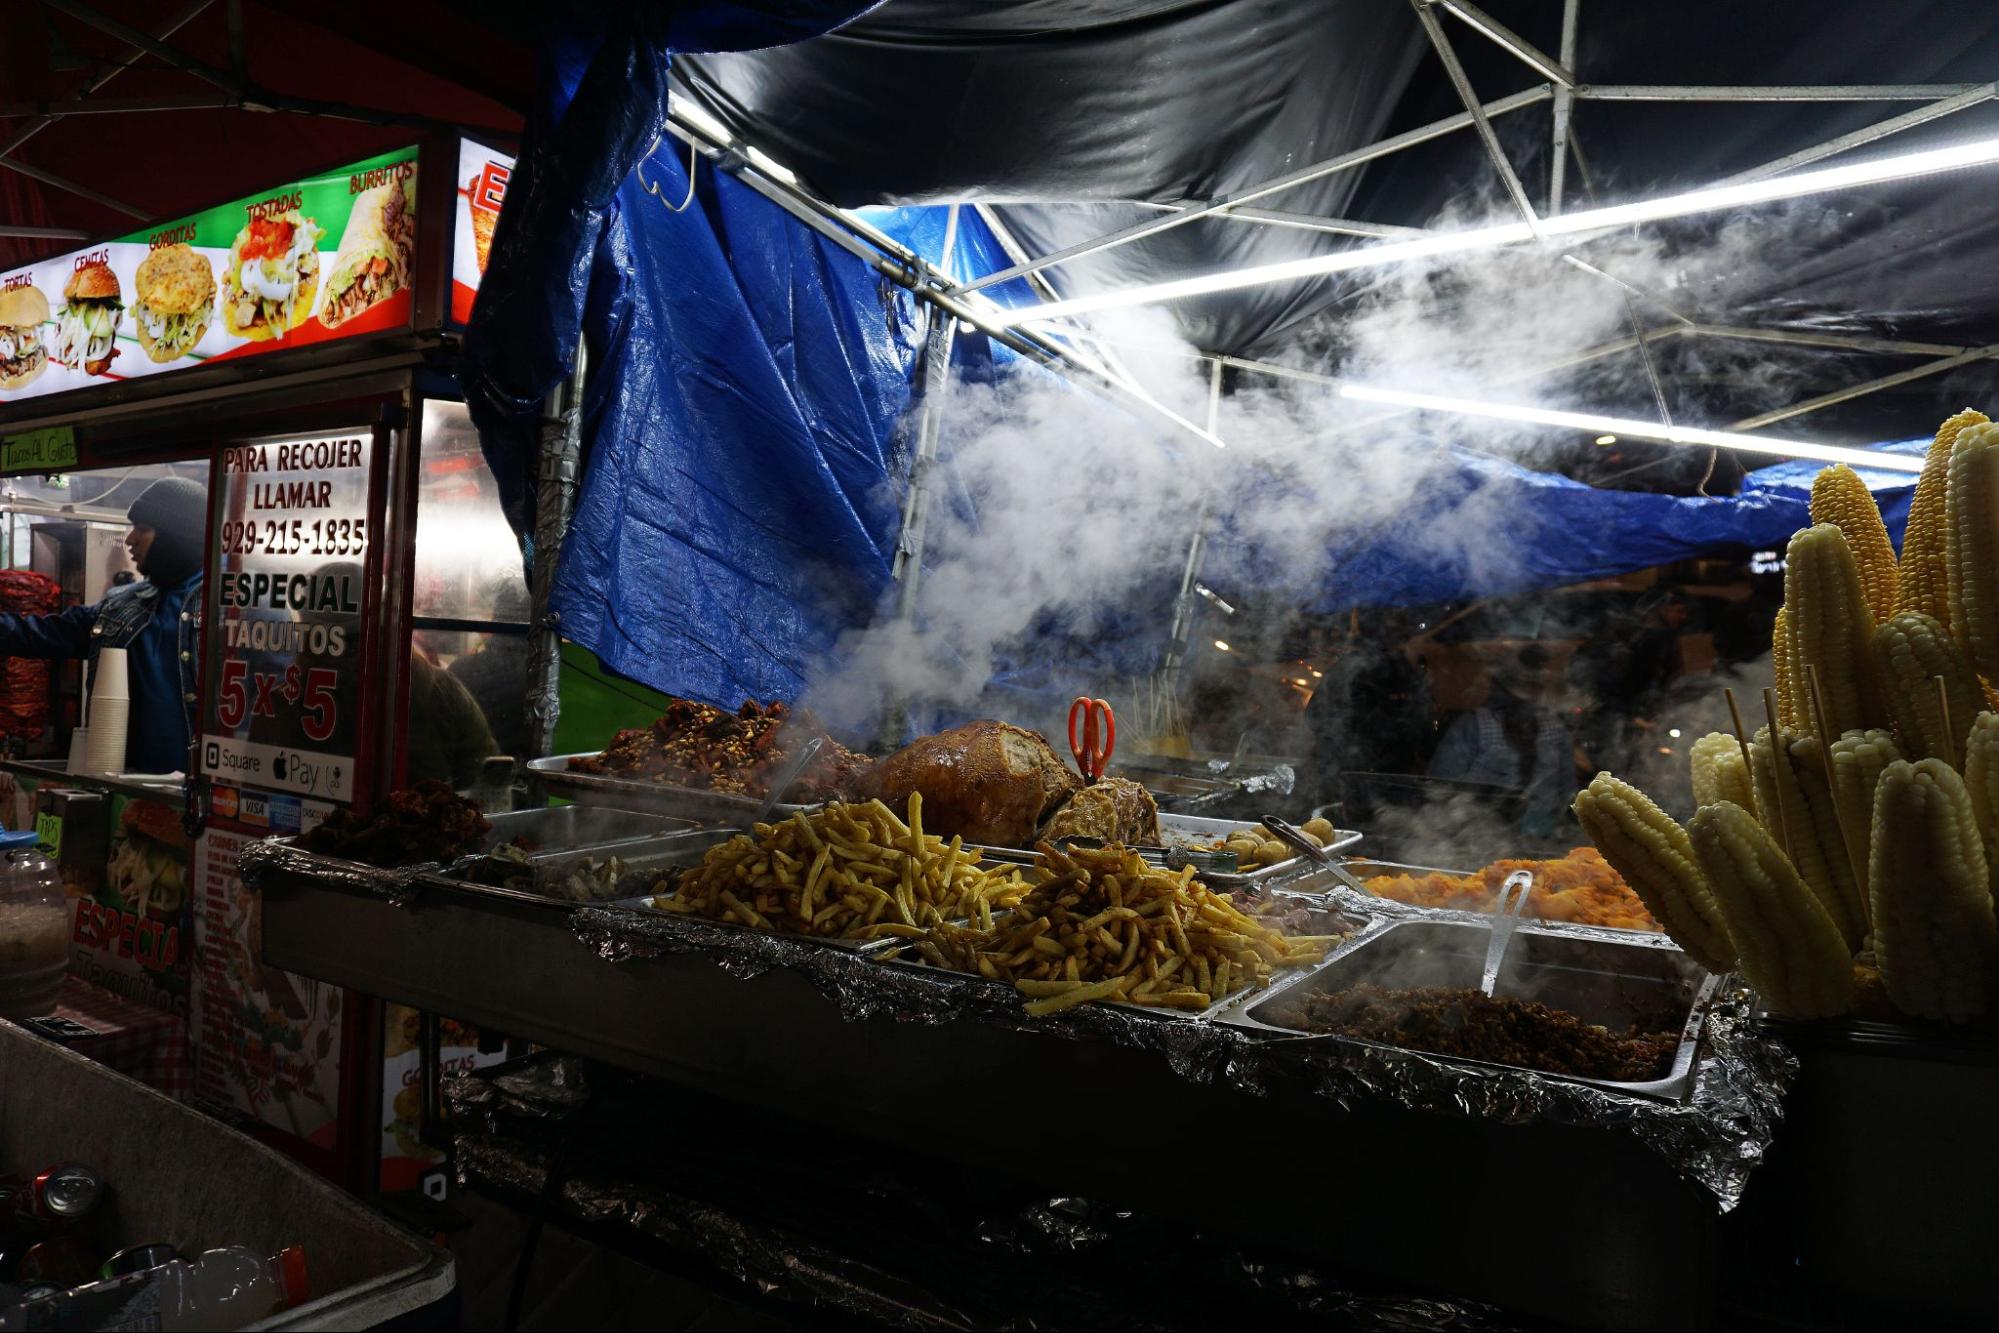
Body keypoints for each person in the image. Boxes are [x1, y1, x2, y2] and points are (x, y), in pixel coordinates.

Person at [0, 477, 206, 774]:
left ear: (177, 536)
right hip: (122, 783)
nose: (130, 539)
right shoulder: (122, 603)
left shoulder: (231, 609)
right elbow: (43, 633)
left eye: (143, 529)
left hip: (200, 792)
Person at [1428, 643, 1577, 839]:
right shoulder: (1474, 726)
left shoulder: (1554, 731)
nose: (1528, 694)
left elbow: (1568, 795)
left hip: (1540, 838)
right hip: (1478, 837)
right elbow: (1440, 788)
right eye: (1521, 685)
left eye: (1533, 686)